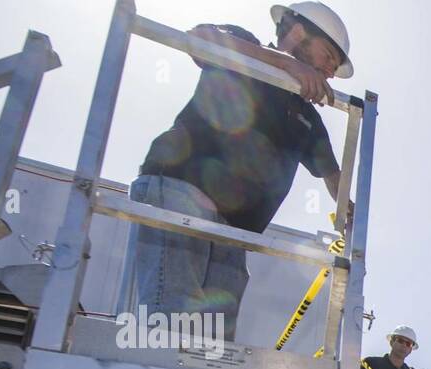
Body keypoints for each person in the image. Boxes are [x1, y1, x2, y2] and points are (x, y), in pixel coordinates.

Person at [130, 3, 354, 335]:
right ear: (296, 33)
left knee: (213, 345)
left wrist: (350, 215)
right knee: (169, 328)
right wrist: (285, 64)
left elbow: (335, 178)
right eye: (328, 57)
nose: (330, 73)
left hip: (234, 233)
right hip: (181, 192)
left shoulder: (308, 120)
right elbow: (200, 39)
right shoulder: (246, 45)